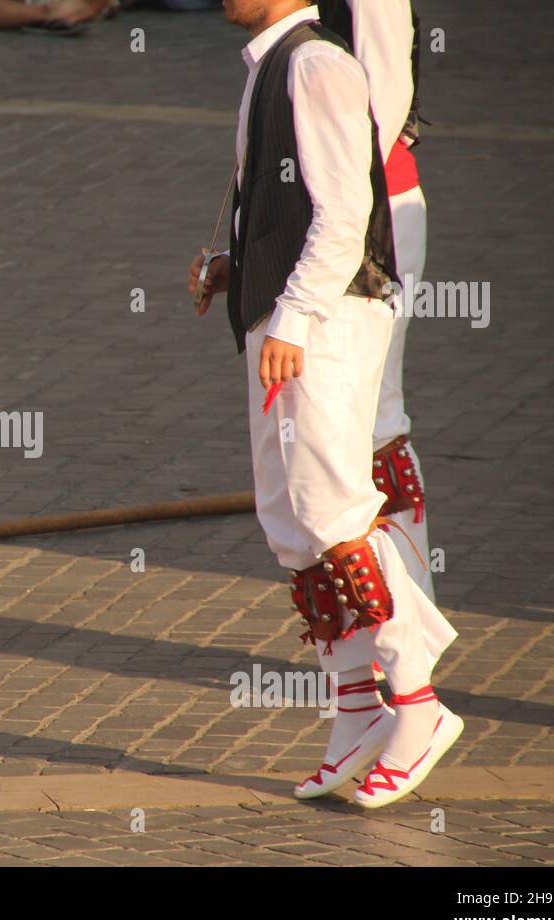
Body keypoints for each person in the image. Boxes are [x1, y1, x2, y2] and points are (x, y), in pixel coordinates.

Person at [188, 0, 460, 809]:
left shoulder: (317, 65)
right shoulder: (277, 65)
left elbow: (346, 214)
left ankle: (416, 700)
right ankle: (355, 710)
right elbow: (285, 204)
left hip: (328, 320)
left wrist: (298, 314)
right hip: (289, 315)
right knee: (289, 516)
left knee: (331, 505)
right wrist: (235, 267)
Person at [316, 0, 433, 606]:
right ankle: (386, 632)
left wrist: (345, 227)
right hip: (334, 214)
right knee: (336, 427)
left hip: (368, 213)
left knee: (374, 421)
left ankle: (405, 621)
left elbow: (382, 99)